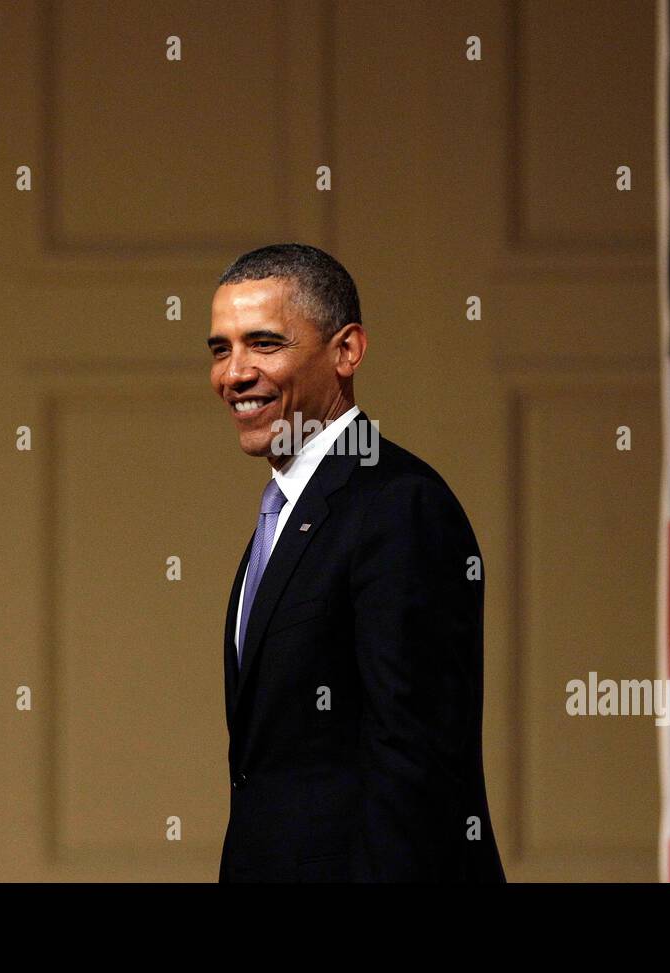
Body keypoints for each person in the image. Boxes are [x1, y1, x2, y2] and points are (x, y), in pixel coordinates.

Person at [207, 243, 506, 882]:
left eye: (264, 344)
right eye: (220, 348)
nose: (234, 373)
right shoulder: (290, 509)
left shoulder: (398, 505)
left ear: (346, 351)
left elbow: (415, 766)